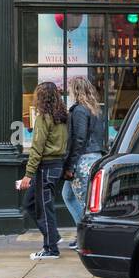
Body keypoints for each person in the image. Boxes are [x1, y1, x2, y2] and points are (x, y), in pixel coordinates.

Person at [18, 82, 68, 260]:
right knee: (30, 203)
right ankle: (52, 236)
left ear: (41, 98)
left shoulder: (43, 118)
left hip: (46, 168)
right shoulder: (62, 117)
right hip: (56, 166)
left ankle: (50, 249)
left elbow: (37, 148)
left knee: (44, 208)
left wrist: (28, 174)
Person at [61, 76, 106, 250]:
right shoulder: (94, 109)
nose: (69, 92)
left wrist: (70, 166)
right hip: (92, 157)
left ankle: (88, 237)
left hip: (83, 160)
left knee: (83, 202)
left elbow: (79, 139)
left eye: (71, 89)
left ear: (76, 90)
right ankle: (83, 233)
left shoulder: (79, 110)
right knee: (69, 196)